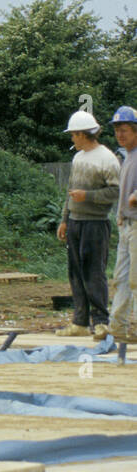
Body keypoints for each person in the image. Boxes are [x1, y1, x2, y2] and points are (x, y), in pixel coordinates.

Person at [55, 110, 120, 338]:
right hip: (75, 222)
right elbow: (70, 192)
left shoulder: (107, 159)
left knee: (94, 272)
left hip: (95, 223)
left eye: (74, 135)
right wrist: (65, 219)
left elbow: (114, 191)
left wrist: (88, 196)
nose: (72, 139)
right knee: (76, 273)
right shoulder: (78, 158)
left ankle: (101, 322)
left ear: (84, 134)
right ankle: (80, 322)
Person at [109, 107, 137, 340]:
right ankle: (116, 329)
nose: (120, 134)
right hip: (126, 225)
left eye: (125, 130)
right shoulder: (127, 158)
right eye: (117, 130)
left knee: (136, 279)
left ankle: (135, 326)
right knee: (121, 279)